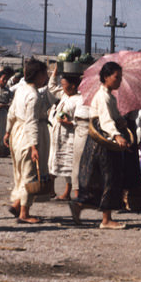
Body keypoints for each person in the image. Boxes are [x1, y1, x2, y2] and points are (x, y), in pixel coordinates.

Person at [70, 61, 134, 229]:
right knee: (109, 177)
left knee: (98, 178)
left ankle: (80, 205)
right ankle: (106, 219)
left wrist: (120, 121)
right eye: (116, 77)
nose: (119, 81)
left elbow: (111, 116)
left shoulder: (109, 96)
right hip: (103, 141)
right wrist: (117, 135)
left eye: (120, 77)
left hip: (100, 141)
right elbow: (105, 120)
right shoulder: (103, 96)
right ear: (106, 77)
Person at [4, 59, 50, 224]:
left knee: (20, 172)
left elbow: (11, 112)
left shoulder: (21, 90)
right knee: (29, 174)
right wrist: (34, 146)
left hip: (17, 132)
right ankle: (24, 212)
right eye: (45, 74)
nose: (46, 77)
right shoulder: (33, 95)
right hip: (26, 135)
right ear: (38, 75)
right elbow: (31, 122)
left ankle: (17, 204)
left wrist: (8, 131)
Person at [48, 65, 81, 200]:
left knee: (69, 166)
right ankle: (51, 190)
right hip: (57, 136)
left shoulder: (79, 99)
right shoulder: (63, 95)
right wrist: (56, 71)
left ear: (73, 86)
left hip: (69, 137)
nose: (62, 87)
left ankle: (71, 194)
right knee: (53, 162)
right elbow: (51, 87)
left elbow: (83, 122)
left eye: (64, 84)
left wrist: (69, 123)